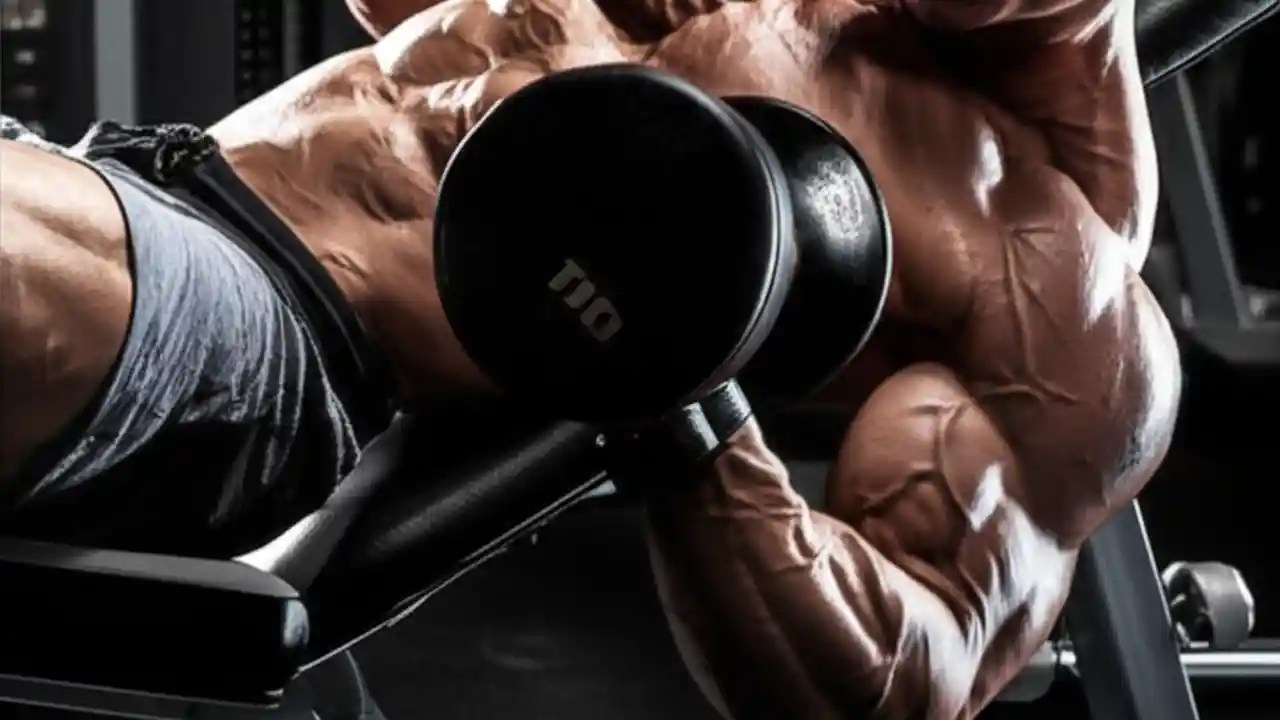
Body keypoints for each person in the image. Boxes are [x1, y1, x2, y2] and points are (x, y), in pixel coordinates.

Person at [0, 0, 1180, 716]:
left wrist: (679, 386)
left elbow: (897, 676)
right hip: (122, 181)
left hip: (263, 342)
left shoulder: (1051, 283)